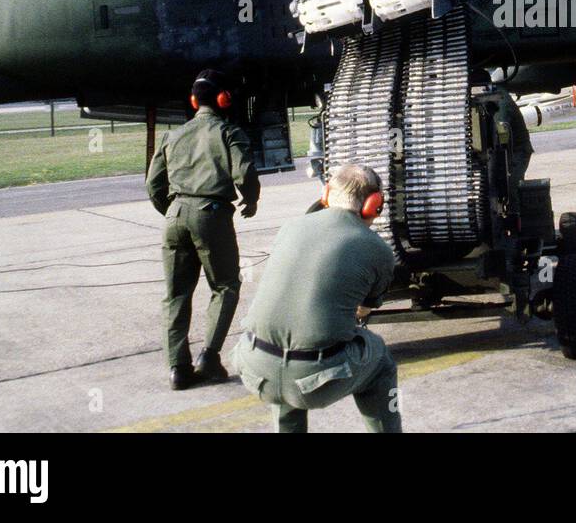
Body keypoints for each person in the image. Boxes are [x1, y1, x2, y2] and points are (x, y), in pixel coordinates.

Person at [230, 164, 402, 433]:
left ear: (326, 194)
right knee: (380, 361)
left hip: (253, 366)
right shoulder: (378, 250)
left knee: (288, 338)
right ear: (373, 205)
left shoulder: (291, 227)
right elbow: (363, 310)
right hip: (310, 382)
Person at [146, 69, 260, 390]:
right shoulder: (228, 132)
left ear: (193, 100)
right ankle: (209, 357)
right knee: (225, 286)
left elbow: (153, 184)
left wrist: (172, 210)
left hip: (174, 215)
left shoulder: (172, 136)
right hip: (211, 215)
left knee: (176, 294)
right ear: (224, 99)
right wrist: (250, 200)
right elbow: (246, 172)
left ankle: (178, 369)